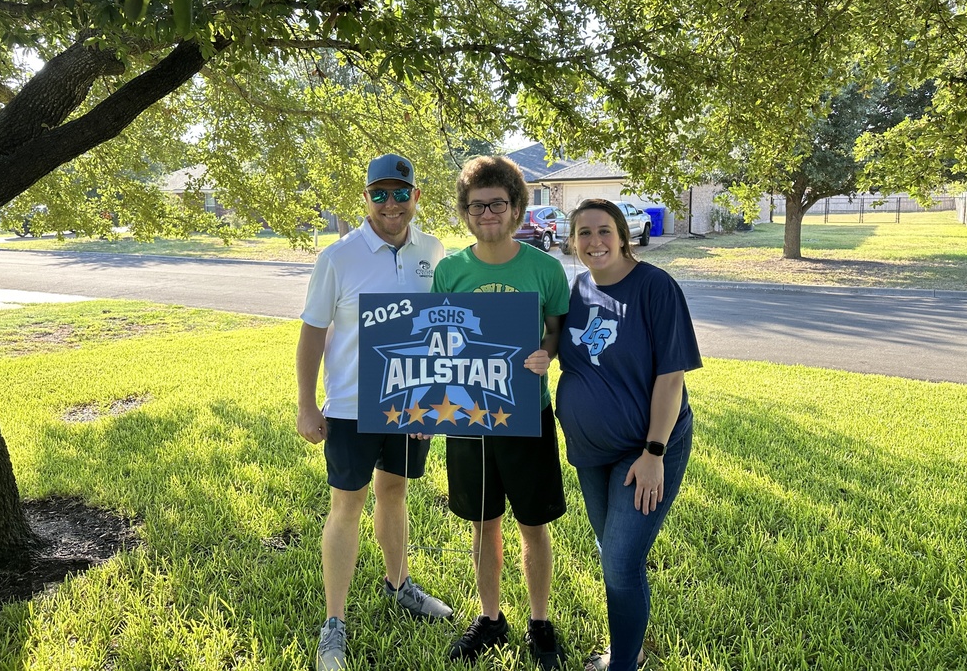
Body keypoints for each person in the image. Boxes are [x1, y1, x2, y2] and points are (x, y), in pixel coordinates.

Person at [296, 153, 453, 671]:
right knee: (347, 505)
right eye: (380, 193)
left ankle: (398, 583)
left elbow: (445, 330)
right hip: (349, 407)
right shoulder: (338, 258)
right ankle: (334, 624)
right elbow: (313, 333)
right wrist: (305, 404)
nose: (391, 204)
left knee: (395, 492)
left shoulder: (434, 251)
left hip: (410, 404)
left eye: (400, 193)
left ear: (415, 197)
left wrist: (437, 403)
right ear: (364, 197)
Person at [432, 154, 570, 670]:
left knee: (533, 525)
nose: (487, 213)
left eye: (497, 203)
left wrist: (547, 352)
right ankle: (491, 620)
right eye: (476, 205)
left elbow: (556, 328)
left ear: (516, 208)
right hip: (468, 419)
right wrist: (424, 413)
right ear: (465, 212)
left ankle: (539, 622)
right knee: (483, 524)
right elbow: (437, 345)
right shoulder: (451, 270)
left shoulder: (545, 268)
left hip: (527, 415)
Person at [556, 199, 702, 671]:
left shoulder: (655, 287)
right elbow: (554, 347)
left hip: (646, 449)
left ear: (623, 234)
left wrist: (654, 452)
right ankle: (630, 646)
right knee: (609, 551)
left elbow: (671, 377)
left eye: (603, 231)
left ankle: (622, 663)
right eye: (584, 233)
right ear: (572, 241)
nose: (594, 242)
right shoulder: (576, 290)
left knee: (620, 560)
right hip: (589, 451)